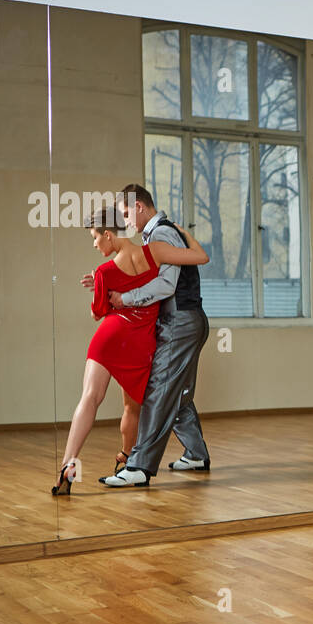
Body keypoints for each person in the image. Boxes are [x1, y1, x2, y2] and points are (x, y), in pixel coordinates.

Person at [52, 206, 210, 495]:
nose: (95, 243)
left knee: (90, 397)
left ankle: (68, 465)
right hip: (142, 344)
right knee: (133, 407)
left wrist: (103, 288)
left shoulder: (104, 271)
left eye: (95, 237)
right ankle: (126, 459)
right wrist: (185, 235)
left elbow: (98, 312)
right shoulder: (156, 252)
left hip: (111, 338)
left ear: (109, 235)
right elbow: (201, 257)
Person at [95, 184, 213, 488]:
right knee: (178, 393)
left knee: (157, 390)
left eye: (125, 214)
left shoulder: (161, 235)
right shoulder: (156, 235)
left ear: (138, 207)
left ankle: (139, 467)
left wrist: (126, 298)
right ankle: (196, 454)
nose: (125, 222)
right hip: (188, 321)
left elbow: (165, 286)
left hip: (180, 322)